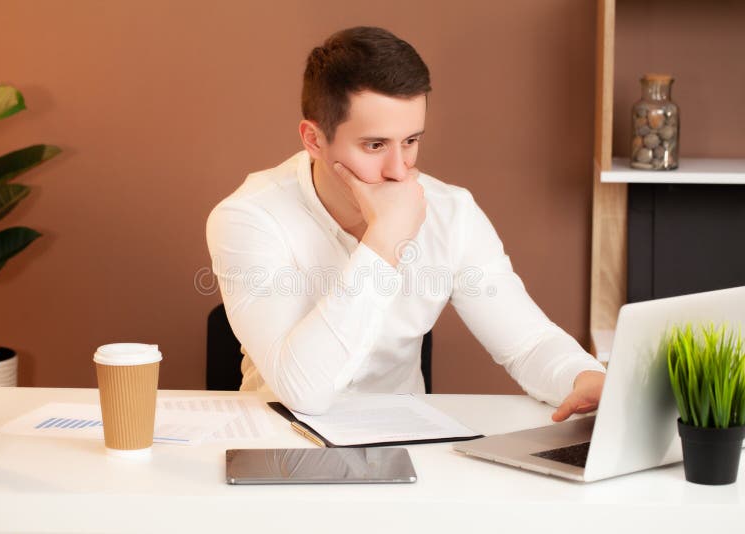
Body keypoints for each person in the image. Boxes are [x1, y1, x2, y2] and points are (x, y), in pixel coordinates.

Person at [206, 26, 605, 418]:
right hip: (277, 443)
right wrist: (384, 240)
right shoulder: (248, 217)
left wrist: (583, 378)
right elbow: (304, 392)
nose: (399, 170)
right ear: (313, 139)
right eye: (375, 145)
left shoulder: (452, 213)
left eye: (411, 141)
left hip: (404, 445)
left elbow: (529, 343)